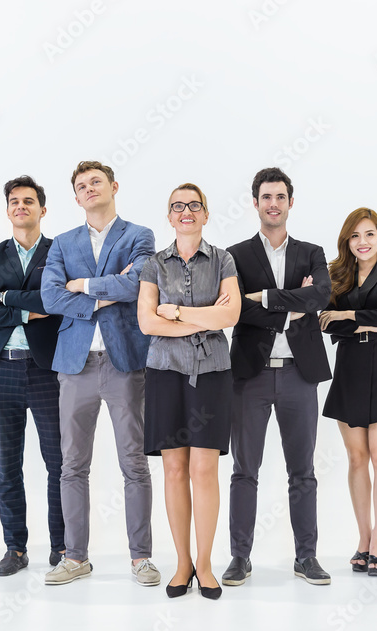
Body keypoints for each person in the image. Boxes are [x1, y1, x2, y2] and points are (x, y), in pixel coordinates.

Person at [41, 161, 159, 586]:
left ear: (113, 186)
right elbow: (51, 297)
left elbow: (139, 286)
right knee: (71, 466)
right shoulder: (62, 243)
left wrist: (84, 286)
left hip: (124, 361)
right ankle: (75, 558)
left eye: (96, 182)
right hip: (75, 365)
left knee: (134, 463)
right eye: (81, 185)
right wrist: (107, 290)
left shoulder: (139, 235)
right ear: (75, 198)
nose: (89, 189)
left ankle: (141, 557)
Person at [223, 167, 333, 587]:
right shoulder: (234, 255)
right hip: (249, 376)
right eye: (266, 197)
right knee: (244, 470)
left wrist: (265, 296)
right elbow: (236, 309)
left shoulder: (312, 252)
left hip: (298, 376)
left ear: (290, 202)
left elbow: (319, 296)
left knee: (302, 471)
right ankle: (239, 557)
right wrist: (295, 300)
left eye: (280, 196)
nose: (273, 204)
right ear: (255, 203)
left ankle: (306, 556)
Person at [138, 183, 240, 600]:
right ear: (169, 216)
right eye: (177, 206)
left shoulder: (223, 259)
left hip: (212, 372)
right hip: (165, 373)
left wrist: (176, 311)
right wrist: (206, 318)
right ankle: (182, 562)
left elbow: (231, 314)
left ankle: (205, 563)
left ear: (205, 214)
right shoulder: (152, 264)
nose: (186, 212)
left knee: (204, 470)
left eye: (193, 206)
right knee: (176, 470)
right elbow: (147, 323)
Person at [0, 176, 64, 577]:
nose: (20, 206)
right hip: (0, 368)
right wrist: (26, 311)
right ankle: (16, 548)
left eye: (28, 201)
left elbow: (58, 301)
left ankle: (63, 547)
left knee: (59, 463)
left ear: (43, 209)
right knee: (7, 465)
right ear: (7, 211)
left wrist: (6, 297)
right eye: (13, 202)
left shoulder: (59, 251)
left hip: (47, 369)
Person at [318, 208, 377, 577]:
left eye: (370, 234)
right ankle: (363, 538)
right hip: (350, 369)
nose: (363, 242)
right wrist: (356, 322)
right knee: (357, 459)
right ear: (347, 241)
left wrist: (348, 317)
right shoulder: (336, 275)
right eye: (355, 236)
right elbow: (325, 323)